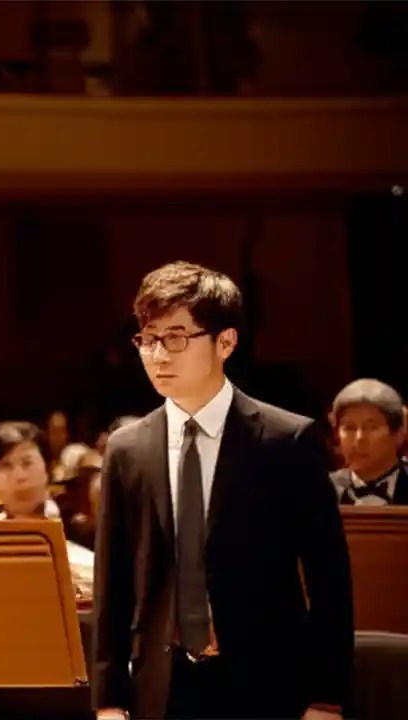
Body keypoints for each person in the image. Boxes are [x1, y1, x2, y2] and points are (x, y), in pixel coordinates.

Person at [92, 261, 353, 720]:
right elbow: (112, 582)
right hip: (161, 688)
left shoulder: (286, 440)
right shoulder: (127, 448)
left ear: (226, 342)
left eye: (176, 337)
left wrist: (326, 699)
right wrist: (109, 701)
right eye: (148, 339)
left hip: (266, 685)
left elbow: (329, 579)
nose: (159, 354)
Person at [328, 378, 408, 505]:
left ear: (398, 434)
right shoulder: (321, 489)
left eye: (372, 427)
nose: (359, 438)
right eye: (349, 427)